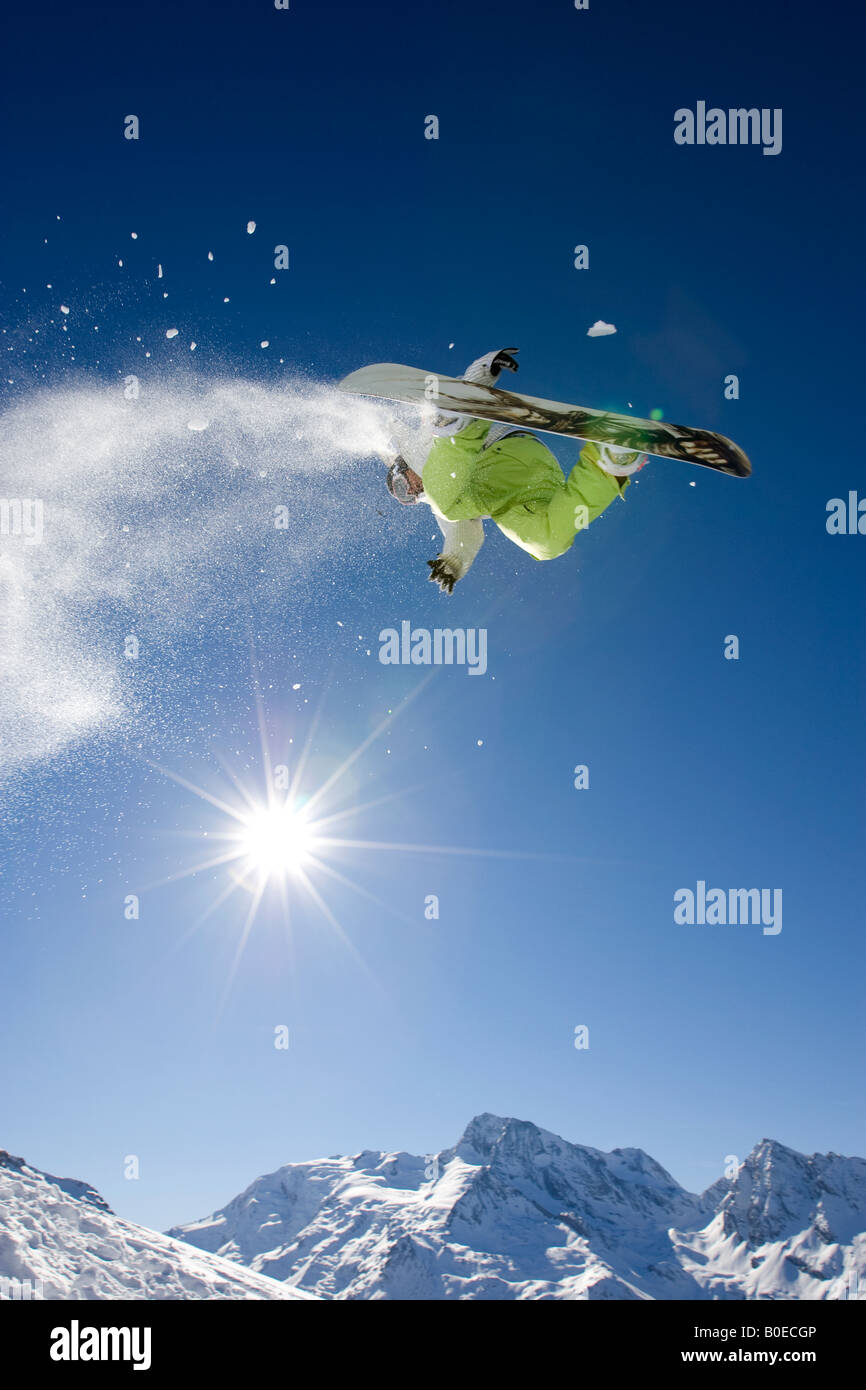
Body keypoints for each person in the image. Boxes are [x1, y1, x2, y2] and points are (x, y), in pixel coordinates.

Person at [382, 348, 646, 593]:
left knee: (443, 501)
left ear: (401, 467)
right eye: (408, 498)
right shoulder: (441, 492)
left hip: (497, 451)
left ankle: (461, 423)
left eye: (402, 488)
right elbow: (464, 532)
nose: (413, 494)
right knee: (546, 544)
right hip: (531, 485)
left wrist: (482, 372)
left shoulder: (419, 448)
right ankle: (610, 463)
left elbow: (446, 401)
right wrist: (452, 562)